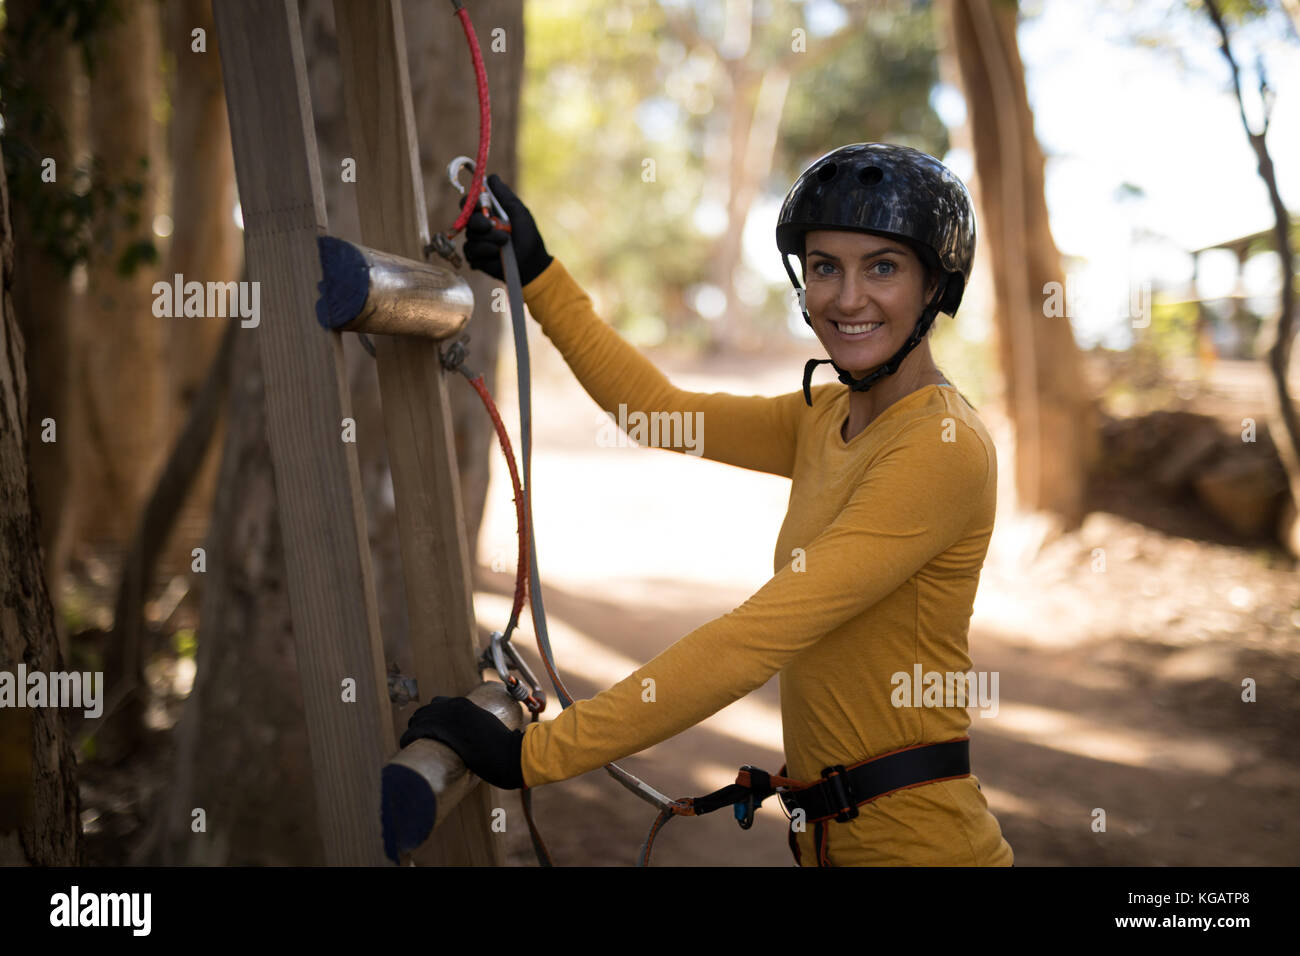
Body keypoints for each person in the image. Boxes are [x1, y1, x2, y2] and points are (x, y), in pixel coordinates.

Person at [402, 144, 1014, 867]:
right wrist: (537, 270)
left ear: (935, 284)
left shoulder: (941, 445)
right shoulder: (825, 416)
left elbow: (757, 636)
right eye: (825, 267)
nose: (848, 298)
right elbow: (655, 411)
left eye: (882, 266)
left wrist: (537, 753)